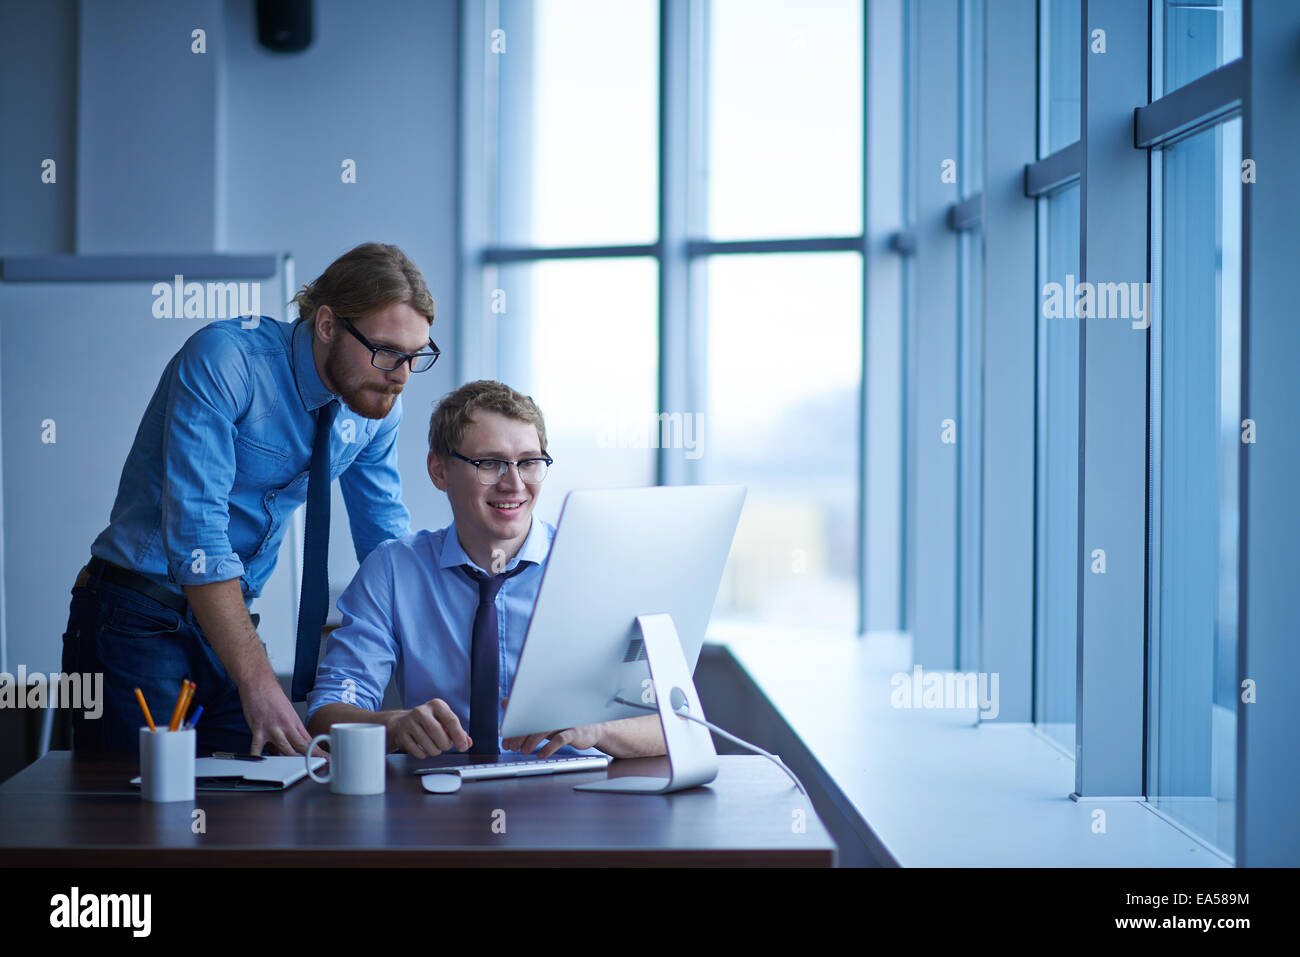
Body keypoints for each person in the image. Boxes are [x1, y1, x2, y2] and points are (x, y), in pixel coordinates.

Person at [62, 242, 438, 756]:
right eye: (387, 351)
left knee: (252, 810)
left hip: (230, 623)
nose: (401, 375)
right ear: (327, 324)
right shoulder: (228, 359)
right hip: (136, 617)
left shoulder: (373, 408)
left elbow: (384, 541)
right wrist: (258, 678)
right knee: (139, 820)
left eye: (417, 357)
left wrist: (450, 660)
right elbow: (197, 534)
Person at [306, 380, 666, 760]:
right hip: (444, 800)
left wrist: (598, 728)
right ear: (439, 471)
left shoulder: (595, 566)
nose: (513, 484)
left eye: (528, 462)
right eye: (490, 463)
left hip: (575, 797)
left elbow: (673, 725)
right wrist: (392, 727)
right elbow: (327, 715)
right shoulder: (394, 570)